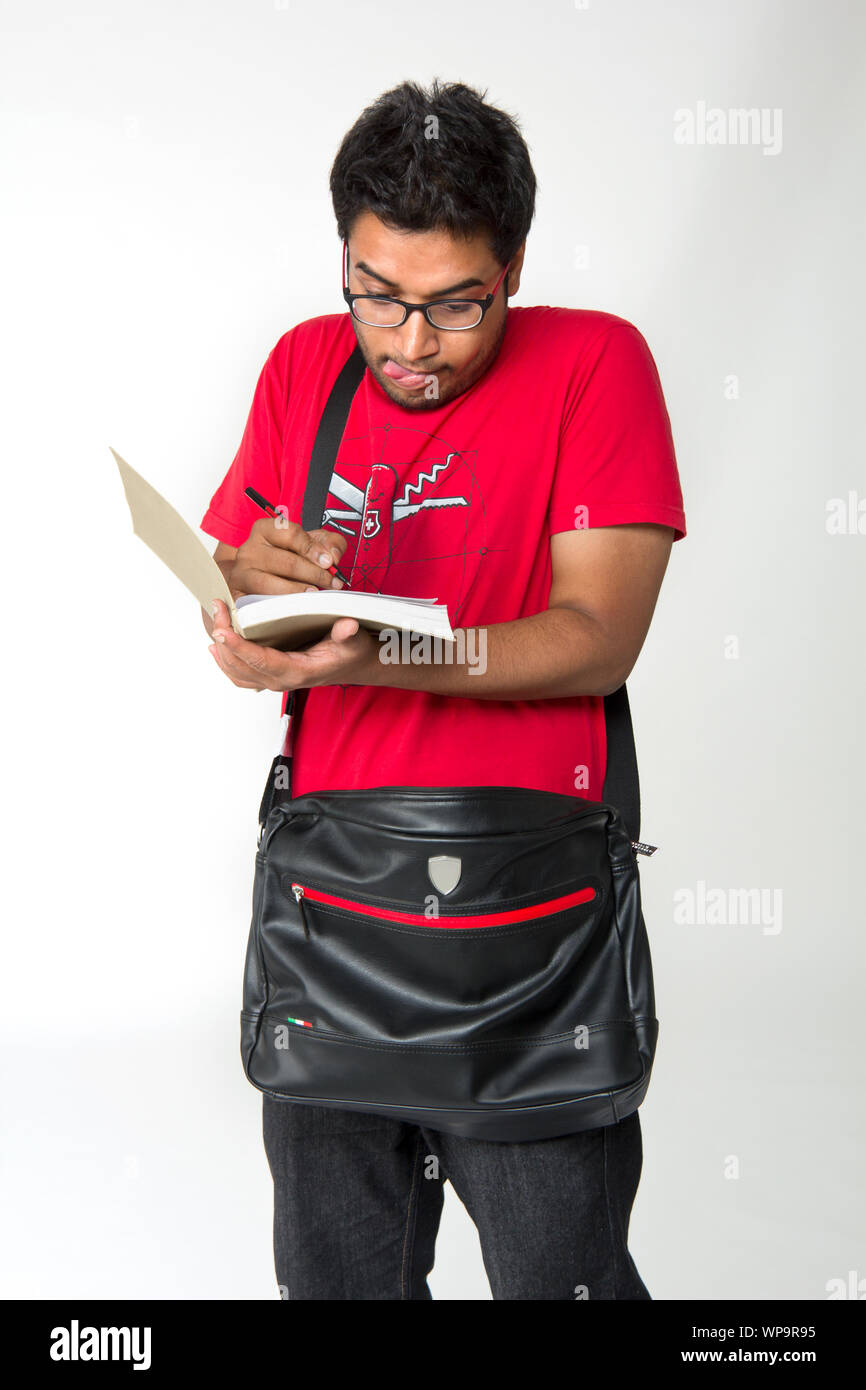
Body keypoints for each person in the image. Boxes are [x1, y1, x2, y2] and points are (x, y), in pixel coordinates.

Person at [199, 79, 686, 1301]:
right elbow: (240, 562)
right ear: (345, 263)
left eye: (454, 304)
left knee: (555, 1273)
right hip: (331, 907)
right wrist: (247, 598)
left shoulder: (595, 362)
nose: (409, 341)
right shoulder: (306, 366)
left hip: (524, 921)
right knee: (335, 1286)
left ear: (512, 266)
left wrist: (386, 654)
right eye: (377, 294)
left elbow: (596, 637)